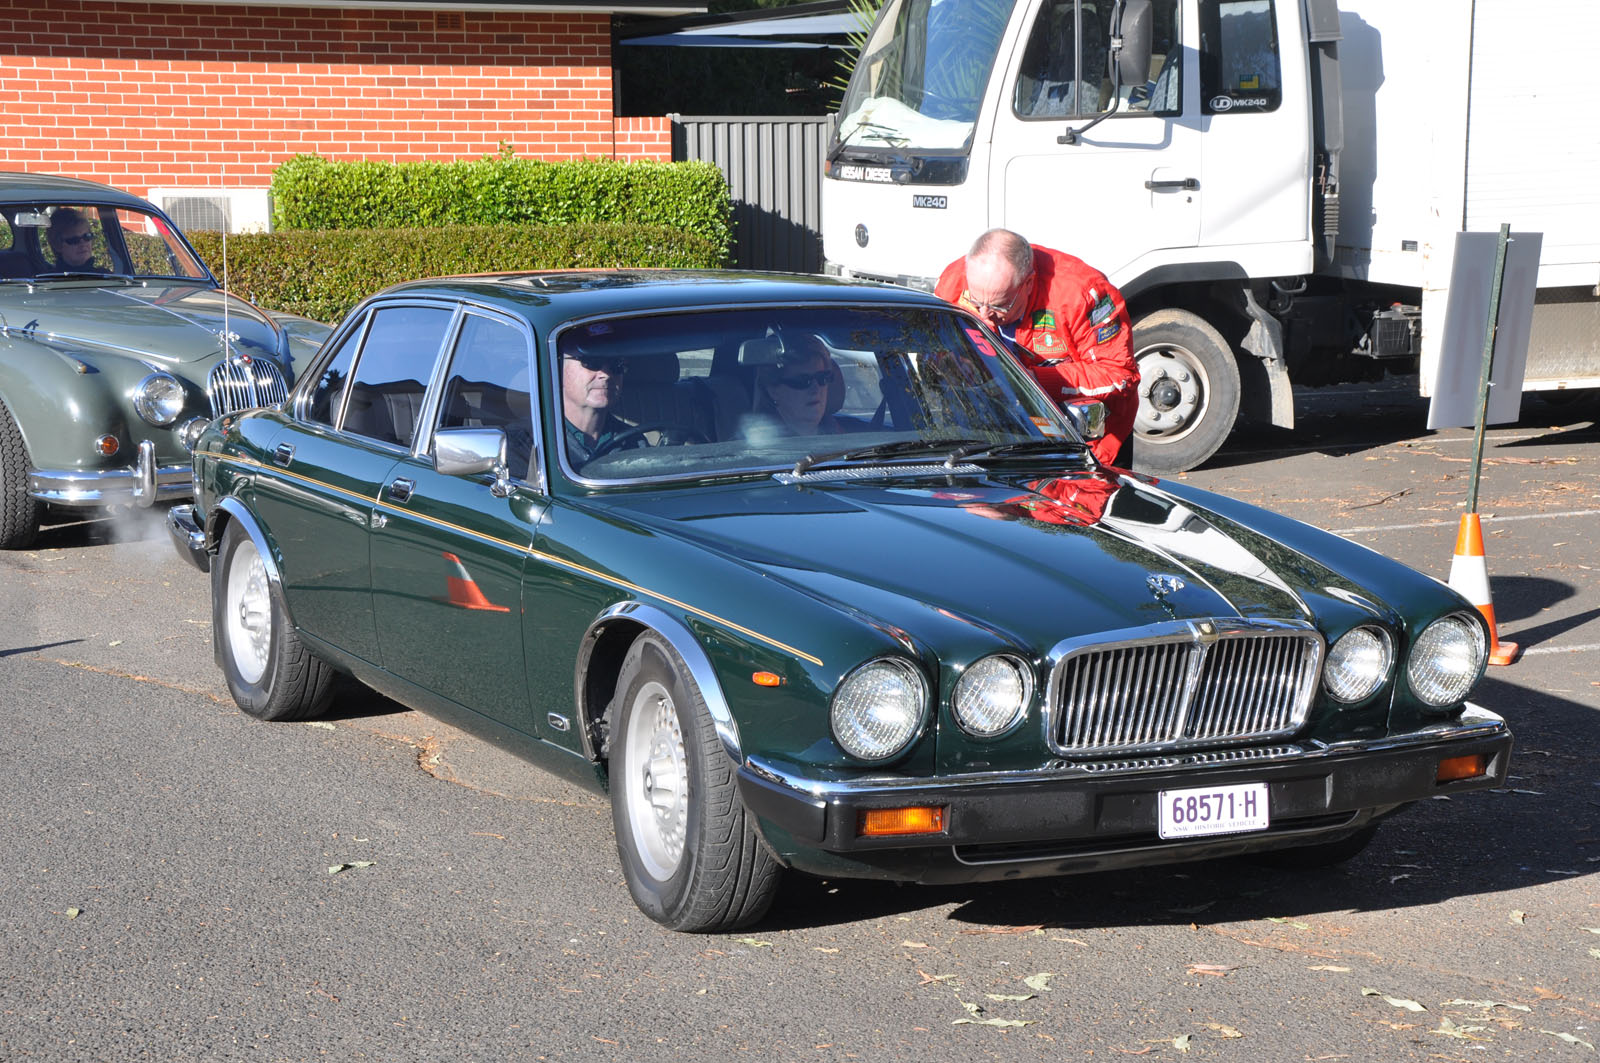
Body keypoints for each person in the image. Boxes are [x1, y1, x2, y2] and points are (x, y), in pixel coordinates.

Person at [935, 228, 1138, 465]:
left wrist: (1028, 381)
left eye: (999, 306)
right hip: (990, 434)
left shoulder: (1082, 294)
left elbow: (1120, 373)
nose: (985, 316)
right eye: (976, 302)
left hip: (1085, 439)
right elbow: (931, 352)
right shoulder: (954, 283)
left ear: (1028, 283)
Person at [751, 334, 850, 437]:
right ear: (773, 391)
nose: (815, 388)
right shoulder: (750, 448)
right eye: (802, 381)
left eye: (822, 378)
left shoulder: (858, 435)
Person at [560, 345, 637, 466]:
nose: (606, 375)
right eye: (591, 362)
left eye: (617, 365)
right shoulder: (531, 443)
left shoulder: (634, 442)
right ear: (558, 369)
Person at [45, 208, 107, 273]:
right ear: (57, 245)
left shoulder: (106, 277)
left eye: (87, 236)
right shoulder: (48, 281)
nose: (83, 243)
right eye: (74, 240)